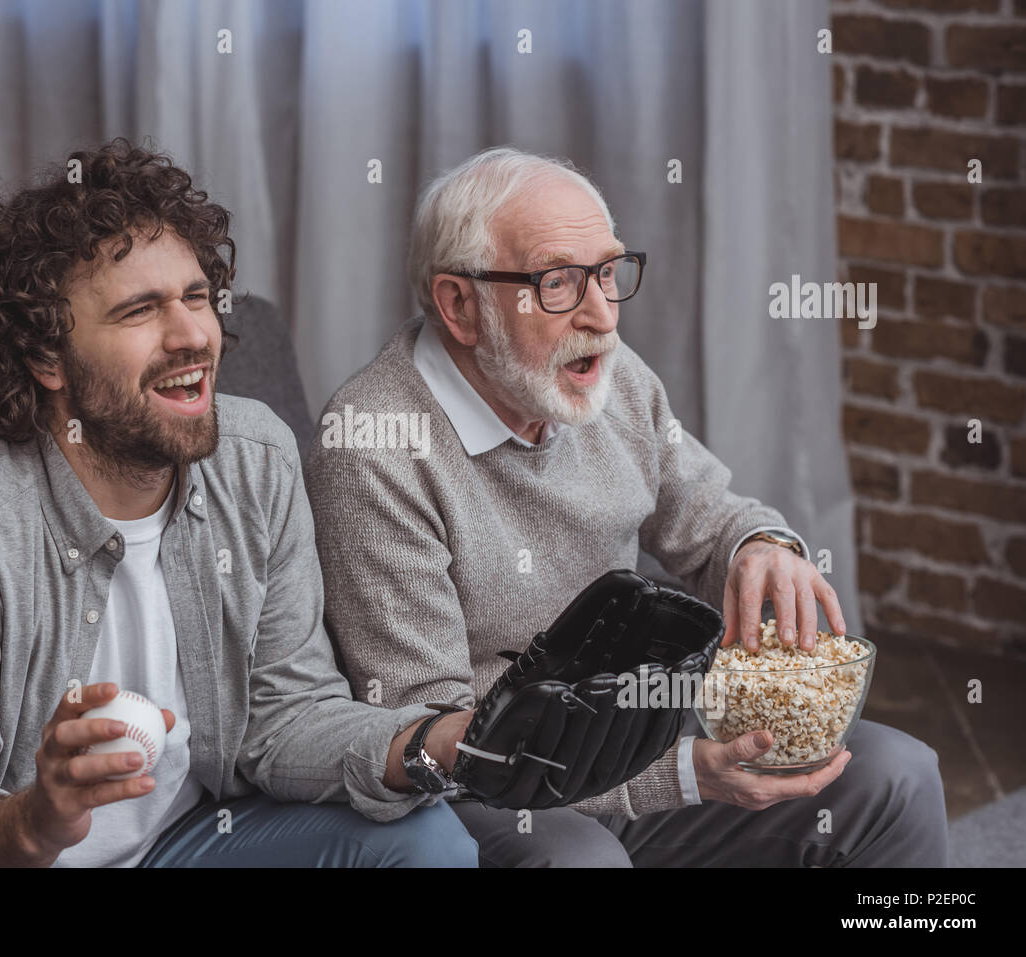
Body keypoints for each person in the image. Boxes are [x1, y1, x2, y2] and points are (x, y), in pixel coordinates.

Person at [0, 139, 478, 868]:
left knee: (427, 842)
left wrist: (440, 741)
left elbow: (287, 716)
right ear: (46, 357)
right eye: (139, 311)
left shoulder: (257, 458)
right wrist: (38, 818)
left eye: (196, 297)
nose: (193, 334)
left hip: (182, 844)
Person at [303, 146, 948, 867]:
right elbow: (443, 743)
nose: (603, 316)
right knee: (583, 862)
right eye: (558, 282)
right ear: (460, 305)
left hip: (640, 737)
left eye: (608, 273)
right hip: (491, 796)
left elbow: (710, 519)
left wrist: (761, 546)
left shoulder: (606, 380)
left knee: (897, 775)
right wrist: (676, 775)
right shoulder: (373, 450)